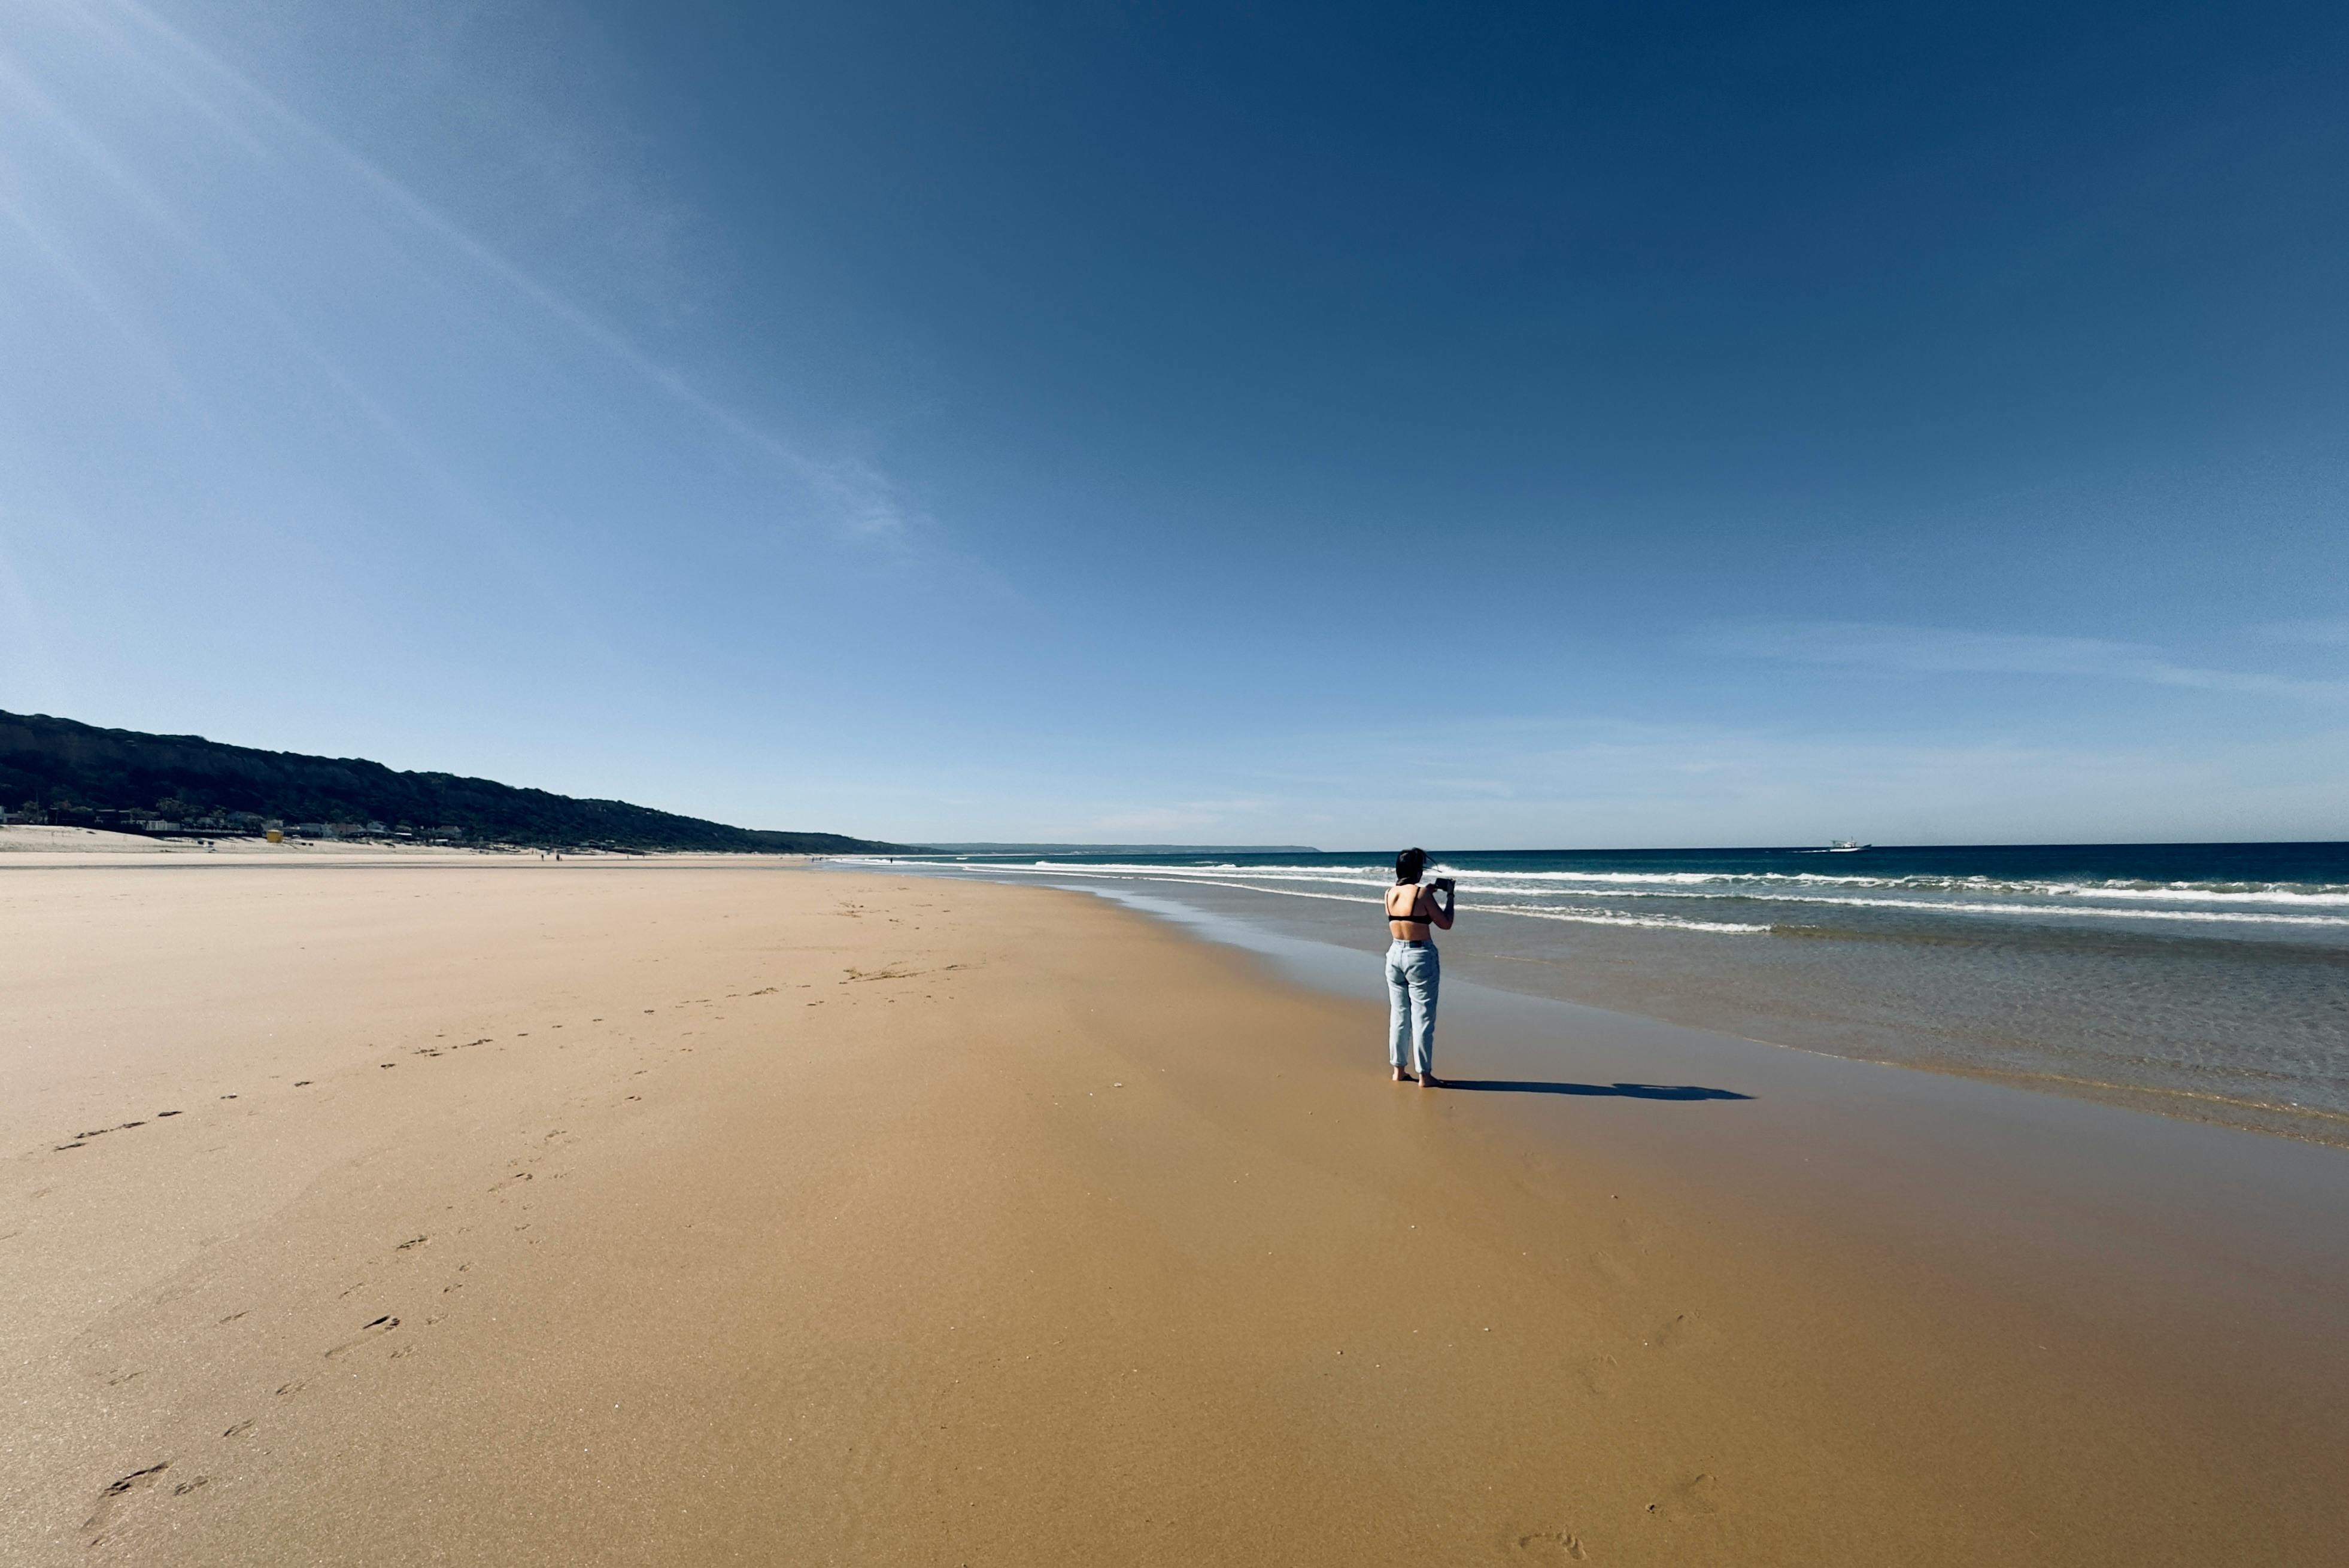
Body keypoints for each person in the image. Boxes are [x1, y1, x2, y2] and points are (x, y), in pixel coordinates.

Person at [1384, 847, 1455, 1087]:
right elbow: (1445, 924)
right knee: (1423, 1017)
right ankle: (1425, 1075)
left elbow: (1407, 908)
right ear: (1417, 870)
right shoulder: (1422, 893)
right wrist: (1451, 897)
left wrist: (1429, 893)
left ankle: (1398, 1070)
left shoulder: (1389, 893)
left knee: (1399, 1015)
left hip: (1395, 953)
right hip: (1419, 955)